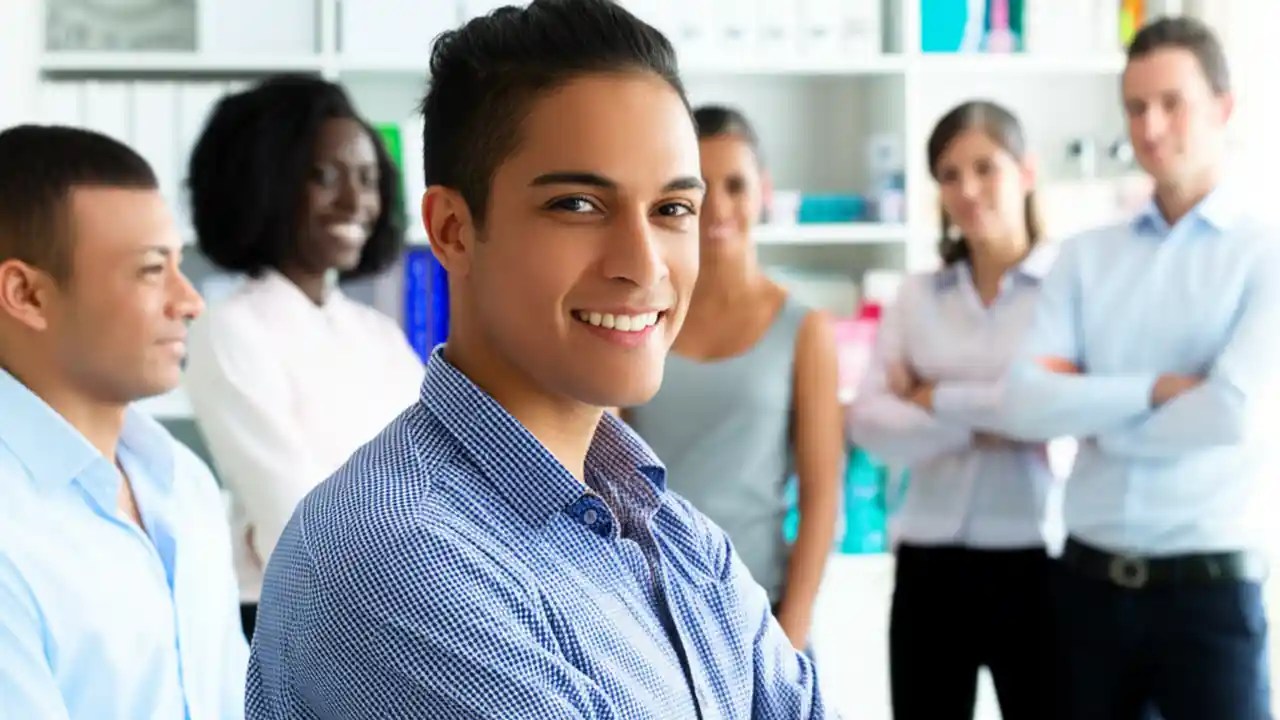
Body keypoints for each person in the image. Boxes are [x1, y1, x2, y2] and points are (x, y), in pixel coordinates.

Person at [246, 1, 836, 718]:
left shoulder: (674, 531)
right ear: (454, 229)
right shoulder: (398, 554)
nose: (644, 266)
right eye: (579, 205)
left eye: (672, 210)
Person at [1002, 16, 1280, 719]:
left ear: (1223, 107)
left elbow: (1230, 415)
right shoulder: (1085, 255)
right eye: (1134, 106)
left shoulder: (1264, 255)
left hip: (1211, 603)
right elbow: (1024, 404)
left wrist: (1092, 410)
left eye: (1171, 102)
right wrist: (1156, 391)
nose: (1149, 126)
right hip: (1086, 596)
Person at [0, 125, 247, 718]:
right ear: (26, 294)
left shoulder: (183, 483)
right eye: (149, 270)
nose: (189, 301)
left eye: (178, 265)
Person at [181, 75, 425, 639]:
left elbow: (439, 479)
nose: (354, 202)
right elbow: (297, 522)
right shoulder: (230, 328)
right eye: (325, 176)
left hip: (395, 608)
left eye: (367, 179)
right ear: (267, 184)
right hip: (293, 628)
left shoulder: (376, 333)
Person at [847, 100, 1060, 720]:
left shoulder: (1067, 287)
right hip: (930, 567)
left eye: (984, 168)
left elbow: (1053, 411)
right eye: (948, 174)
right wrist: (995, 418)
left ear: (1026, 171)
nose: (967, 190)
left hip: (1040, 562)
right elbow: (867, 422)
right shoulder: (917, 296)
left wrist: (934, 396)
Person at [624, 105, 842, 651]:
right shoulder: (638, 317)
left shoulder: (805, 330)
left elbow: (821, 496)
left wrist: (791, 633)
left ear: (763, 190)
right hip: (649, 618)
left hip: (762, 619)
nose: (718, 205)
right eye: (701, 187)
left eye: (736, 185)